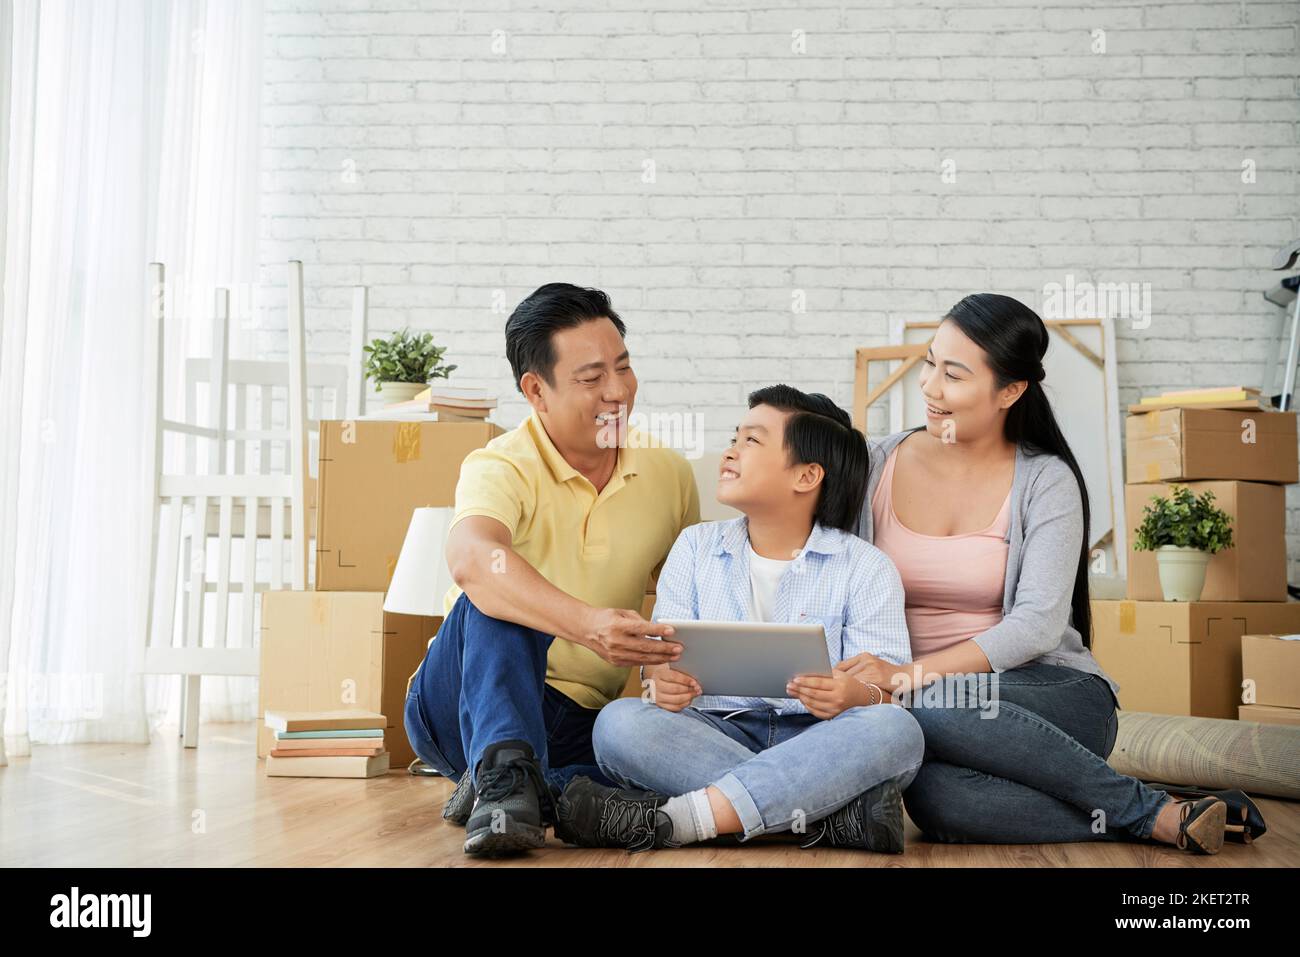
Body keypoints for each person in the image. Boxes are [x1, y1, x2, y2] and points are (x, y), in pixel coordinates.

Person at [845, 293, 1230, 854]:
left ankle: (1144, 810)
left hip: (1051, 696)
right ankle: (1169, 812)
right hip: (939, 717)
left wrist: (904, 674)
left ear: (1010, 390)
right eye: (930, 363)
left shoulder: (1045, 480)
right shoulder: (876, 463)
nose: (929, 387)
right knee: (938, 803)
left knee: (931, 703)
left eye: (954, 374)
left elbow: (1036, 627)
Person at [553, 385, 925, 853]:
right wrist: (661, 680)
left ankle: (681, 820)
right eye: (736, 437)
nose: (730, 452)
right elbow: (660, 663)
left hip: (822, 738)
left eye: (752, 441)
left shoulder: (865, 566)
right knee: (619, 723)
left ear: (807, 475)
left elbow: (886, 690)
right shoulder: (693, 547)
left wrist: (855, 693)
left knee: (896, 730)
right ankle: (824, 817)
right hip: (716, 730)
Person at [402, 283, 700, 857]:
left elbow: (683, 597)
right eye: (591, 379)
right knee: (496, 593)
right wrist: (588, 626)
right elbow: (473, 561)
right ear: (536, 390)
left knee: (668, 773)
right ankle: (506, 769)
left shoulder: (668, 472)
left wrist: (663, 677)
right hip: (467, 702)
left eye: (624, 368)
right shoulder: (500, 465)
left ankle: (527, 792)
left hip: (590, 721)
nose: (617, 392)